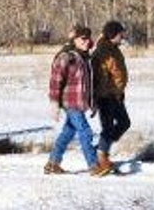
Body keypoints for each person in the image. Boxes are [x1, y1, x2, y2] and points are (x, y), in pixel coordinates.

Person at [45, 26, 109, 176]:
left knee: (68, 132)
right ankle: (94, 165)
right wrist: (54, 103)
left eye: (88, 38)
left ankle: (52, 163)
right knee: (85, 132)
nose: (87, 42)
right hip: (70, 102)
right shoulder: (67, 57)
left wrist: (92, 103)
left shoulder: (85, 57)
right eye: (83, 39)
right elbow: (55, 81)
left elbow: (89, 83)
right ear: (74, 40)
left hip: (81, 103)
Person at [92, 20, 131, 169]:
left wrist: (119, 92)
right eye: (121, 33)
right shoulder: (103, 51)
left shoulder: (114, 48)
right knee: (107, 128)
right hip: (106, 96)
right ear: (113, 34)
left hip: (116, 94)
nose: (123, 36)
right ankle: (101, 157)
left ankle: (101, 148)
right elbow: (101, 75)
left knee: (124, 123)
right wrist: (99, 96)